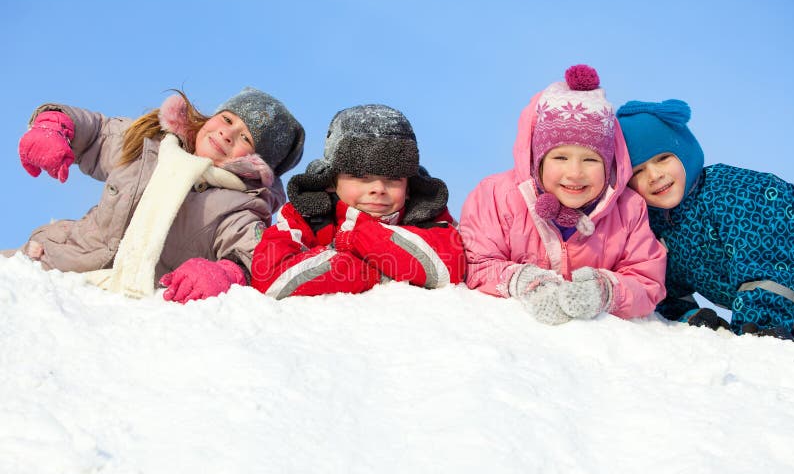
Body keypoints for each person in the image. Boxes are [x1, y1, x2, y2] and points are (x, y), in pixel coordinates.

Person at [7, 87, 305, 302]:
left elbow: (252, 260)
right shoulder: (151, 145)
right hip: (45, 264)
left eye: (245, 137)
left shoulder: (239, 208)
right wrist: (56, 126)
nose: (228, 133)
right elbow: (97, 133)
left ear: (257, 164)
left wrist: (225, 273)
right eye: (228, 120)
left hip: (118, 309)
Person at [459, 65, 666, 324]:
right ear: (538, 160)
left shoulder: (628, 210)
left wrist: (606, 291)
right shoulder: (496, 196)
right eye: (561, 157)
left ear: (609, 165)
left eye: (590, 159)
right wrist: (524, 281)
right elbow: (475, 261)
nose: (575, 172)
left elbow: (646, 280)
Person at [617, 99, 794, 340]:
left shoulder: (742, 193)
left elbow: (768, 268)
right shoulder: (653, 224)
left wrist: (758, 331)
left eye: (663, 158)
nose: (654, 175)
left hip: (779, 313)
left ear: (684, 149)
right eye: (638, 171)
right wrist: (691, 317)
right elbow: (659, 286)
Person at [250, 104, 465, 298]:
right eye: (362, 177)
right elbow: (270, 277)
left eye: (393, 179)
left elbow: (450, 268)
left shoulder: (427, 214)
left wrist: (357, 236)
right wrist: (378, 271)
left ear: (409, 186)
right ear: (330, 181)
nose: (378, 189)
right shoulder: (306, 215)